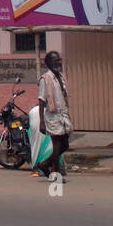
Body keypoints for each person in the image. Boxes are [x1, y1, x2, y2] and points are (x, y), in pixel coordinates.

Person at [37, 51, 73, 179]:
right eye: (56, 60)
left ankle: (45, 163)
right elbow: (41, 101)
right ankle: (56, 173)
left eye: (59, 59)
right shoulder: (45, 79)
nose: (59, 62)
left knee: (65, 145)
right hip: (52, 115)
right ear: (49, 63)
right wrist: (41, 121)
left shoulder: (61, 77)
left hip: (63, 114)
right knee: (57, 145)